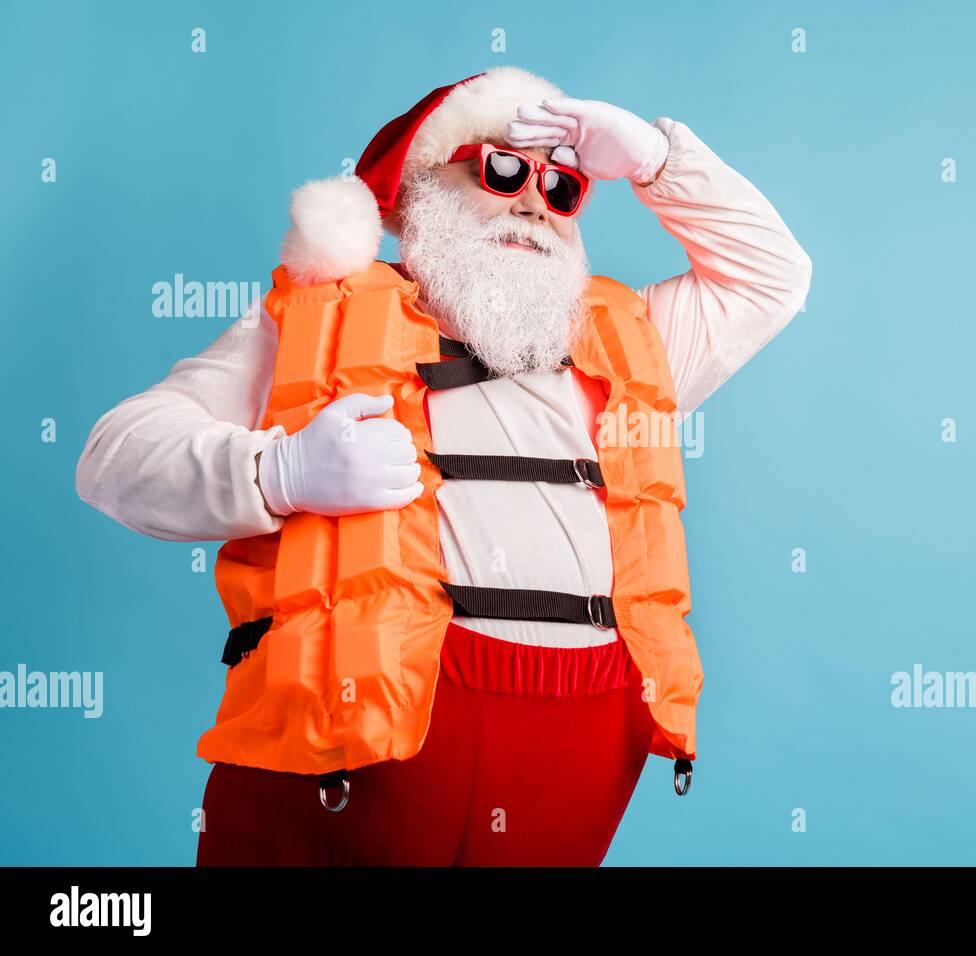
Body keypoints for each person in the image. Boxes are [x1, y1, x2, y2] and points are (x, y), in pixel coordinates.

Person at [75, 66, 812, 866]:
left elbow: (773, 278)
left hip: (578, 759)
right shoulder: (320, 329)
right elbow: (114, 457)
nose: (534, 202)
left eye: (563, 188)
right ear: (423, 191)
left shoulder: (633, 343)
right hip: (361, 748)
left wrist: (656, 162)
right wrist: (277, 473)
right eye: (500, 170)